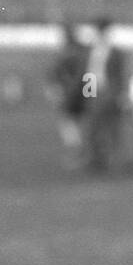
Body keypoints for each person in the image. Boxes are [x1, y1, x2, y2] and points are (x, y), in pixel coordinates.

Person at [83, 16, 127, 171]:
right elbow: (89, 72)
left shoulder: (114, 52)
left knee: (111, 127)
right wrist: (87, 93)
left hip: (108, 91)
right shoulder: (91, 50)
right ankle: (95, 159)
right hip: (92, 89)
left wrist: (119, 94)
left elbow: (119, 75)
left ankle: (112, 160)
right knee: (93, 127)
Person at [47, 23, 88, 169]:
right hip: (80, 94)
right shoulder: (83, 52)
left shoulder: (67, 54)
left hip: (72, 94)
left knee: (70, 124)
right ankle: (81, 153)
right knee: (77, 124)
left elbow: (57, 75)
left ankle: (78, 154)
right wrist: (90, 94)